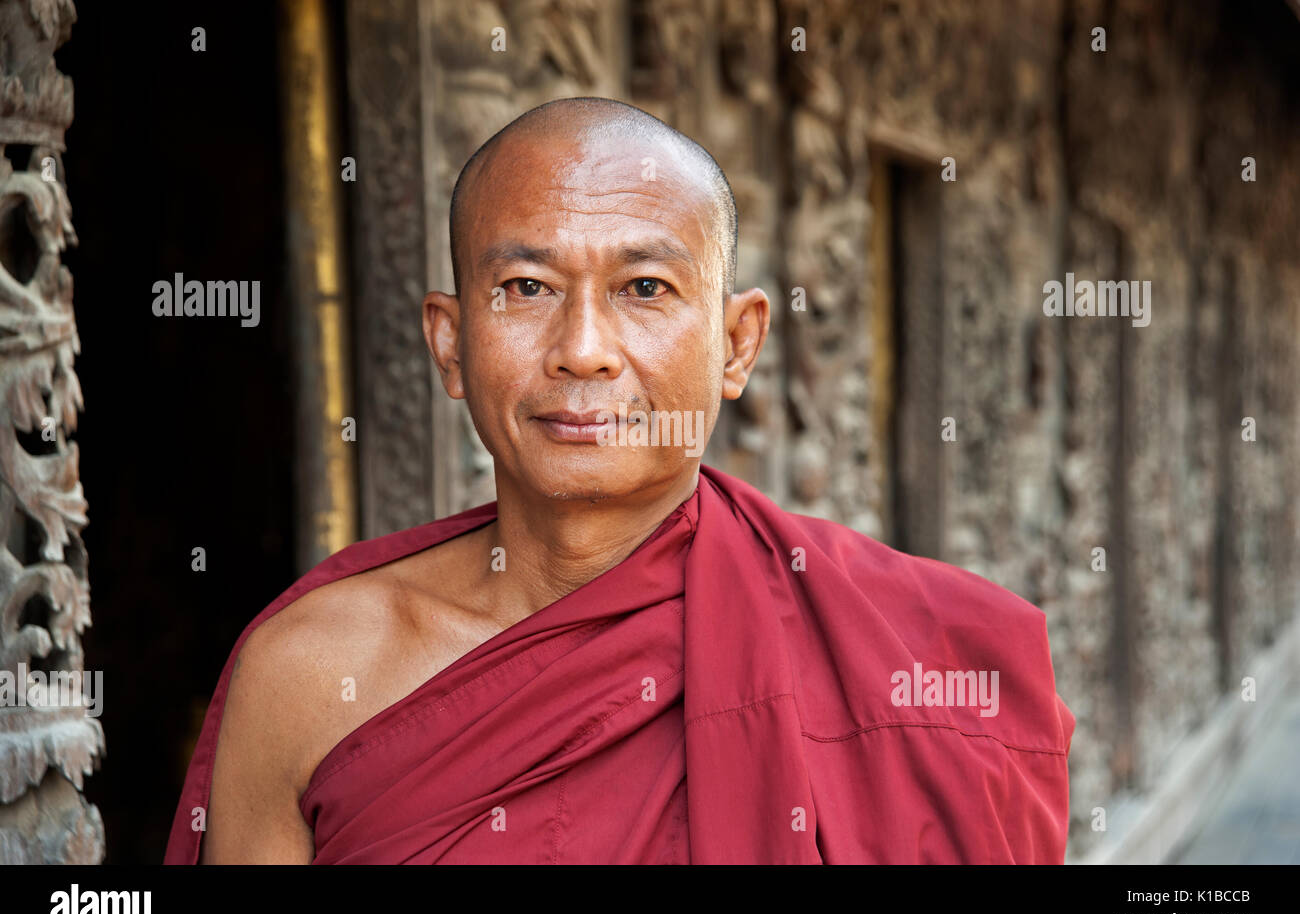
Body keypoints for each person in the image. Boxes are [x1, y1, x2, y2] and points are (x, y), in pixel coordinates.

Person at [165, 96, 1074, 864]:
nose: (584, 351)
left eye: (644, 288)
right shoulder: (308, 674)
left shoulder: (933, 659)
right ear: (449, 342)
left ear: (738, 343)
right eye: (525, 287)